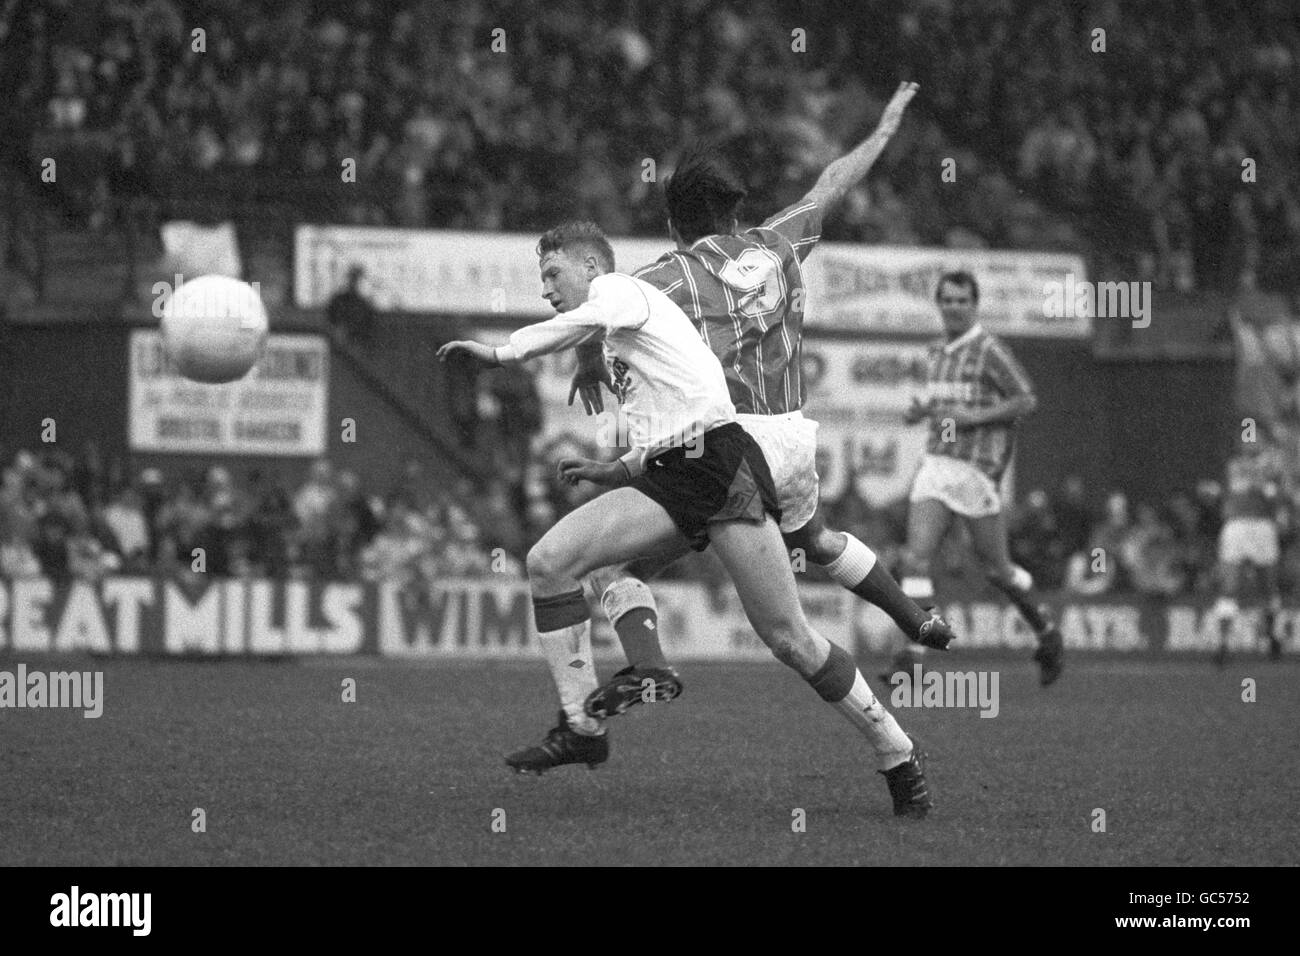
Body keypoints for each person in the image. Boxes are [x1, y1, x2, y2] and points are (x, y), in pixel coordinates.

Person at [438, 221, 933, 817]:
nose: (546, 288)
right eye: (541, 278)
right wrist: (616, 470)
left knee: (790, 639)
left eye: (553, 272)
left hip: (722, 468)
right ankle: (584, 726)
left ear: (593, 266)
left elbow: (582, 332)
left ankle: (897, 753)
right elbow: (672, 418)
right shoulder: (627, 334)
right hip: (673, 473)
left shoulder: (618, 290)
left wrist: (499, 353)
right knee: (552, 562)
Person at [567, 81, 955, 721]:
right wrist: (882, 134)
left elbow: (594, 311)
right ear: (733, 217)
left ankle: (650, 666)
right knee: (820, 540)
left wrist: (585, 358)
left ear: (672, 224)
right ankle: (914, 618)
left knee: (614, 570)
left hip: (725, 452)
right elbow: (830, 184)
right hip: (793, 441)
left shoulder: (663, 278)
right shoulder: (777, 245)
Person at [891, 270, 1064, 685]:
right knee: (915, 559)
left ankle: (1046, 631)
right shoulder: (937, 351)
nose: (953, 307)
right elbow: (945, 406)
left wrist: (976, 418)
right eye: (946, 300)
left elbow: (1027, 398)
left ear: (974, 304)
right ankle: (916, 652)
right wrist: (922, 412)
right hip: (937, 463)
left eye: (961, 300)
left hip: (977, 472)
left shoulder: (989, 349)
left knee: (998, 572)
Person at [1211, 440, 1284, 665]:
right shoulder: (1236, 466)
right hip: (1238, 526)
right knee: (1230, 586)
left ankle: (1272, 635)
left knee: (1268, 586)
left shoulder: (1271, 466)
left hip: (1261, 526)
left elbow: (1275, 497)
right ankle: (1223, 643)